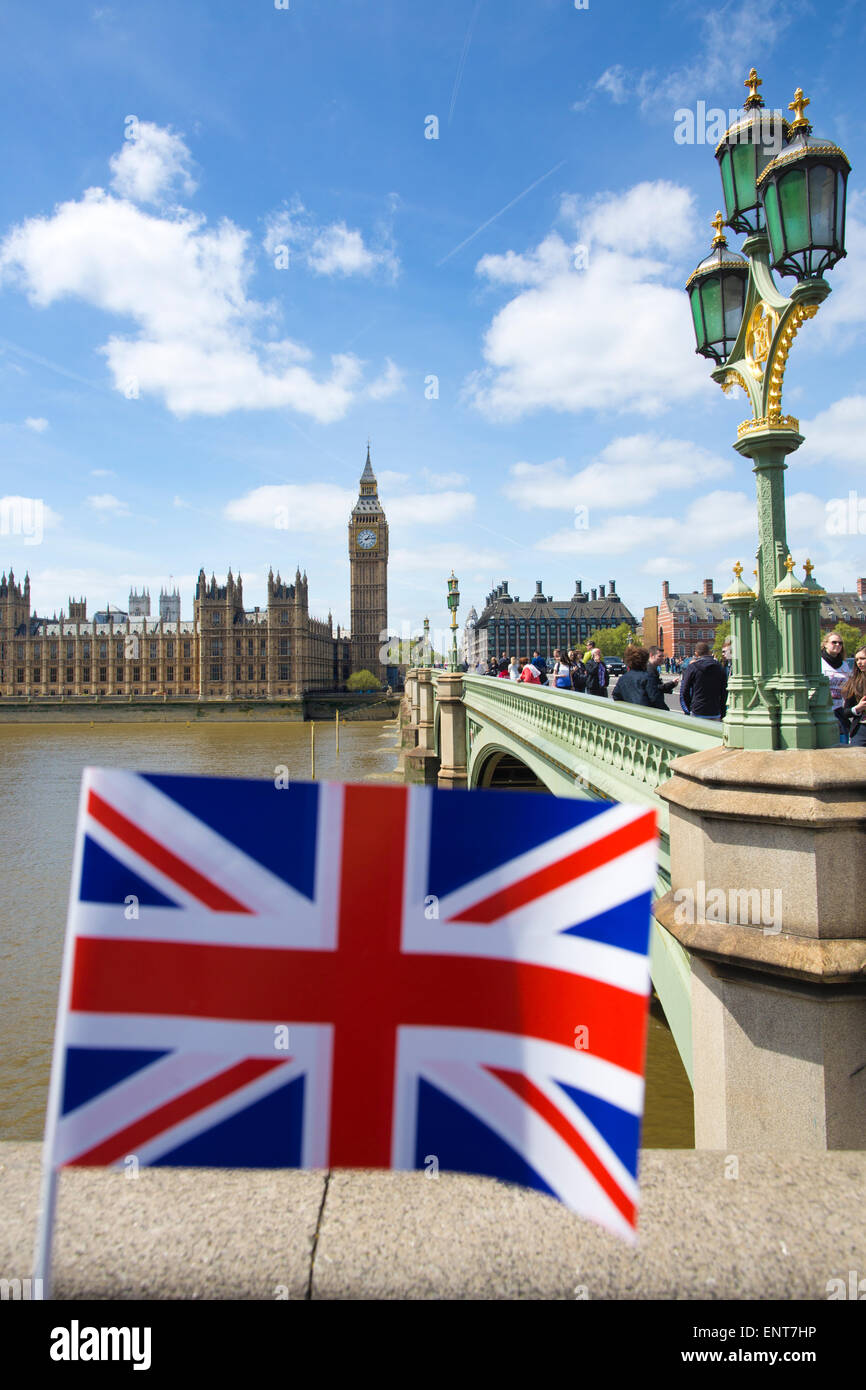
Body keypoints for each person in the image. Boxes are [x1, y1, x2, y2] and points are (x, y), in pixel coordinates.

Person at [679, 640, 727, 719]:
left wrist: (689, 707)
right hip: (715, 709)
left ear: (696, 653)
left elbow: (685, 690)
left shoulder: (692, 667)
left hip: (697, 709)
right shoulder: (719, 667)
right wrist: (722, 712)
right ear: (709, 652)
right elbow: (724, 692)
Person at [821, 632, 853, 743]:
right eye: (834, 642)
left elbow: (848, 687)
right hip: (823, 708)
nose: (837, 645)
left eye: (840, 643)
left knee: (843, 740)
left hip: (839, 708)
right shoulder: (819, 662)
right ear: (825, 644)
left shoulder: (844, 665)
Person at [840, 647, 866, 748]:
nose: (859, 662)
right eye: (857, 659)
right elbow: (845, 712)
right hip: (861, 728)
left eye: (863, 658)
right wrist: (857, 708)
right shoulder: (854, 683)